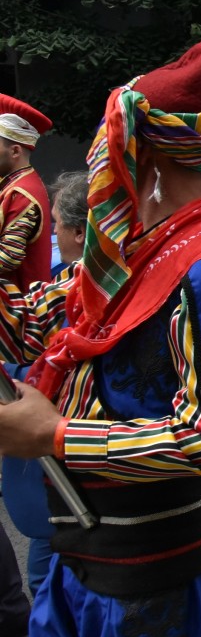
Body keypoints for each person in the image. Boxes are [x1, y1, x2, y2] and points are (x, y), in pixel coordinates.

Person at [0, 43, 201, 637]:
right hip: (79, 550)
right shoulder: (125, 254)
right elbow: (30, 325)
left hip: (148, 569)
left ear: (142, 156)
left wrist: (52, 435)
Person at [0, 172, 89, 600]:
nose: (51, 232)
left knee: (53, 572)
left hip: (73, 440)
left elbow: (18, 325)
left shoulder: (76, 284)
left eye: (55, 223)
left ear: (78, 231)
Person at [0, 95, 52, 292]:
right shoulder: (16, 183)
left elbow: (8, 256)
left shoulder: (22, 192)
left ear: (14, 151)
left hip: (18, 312)